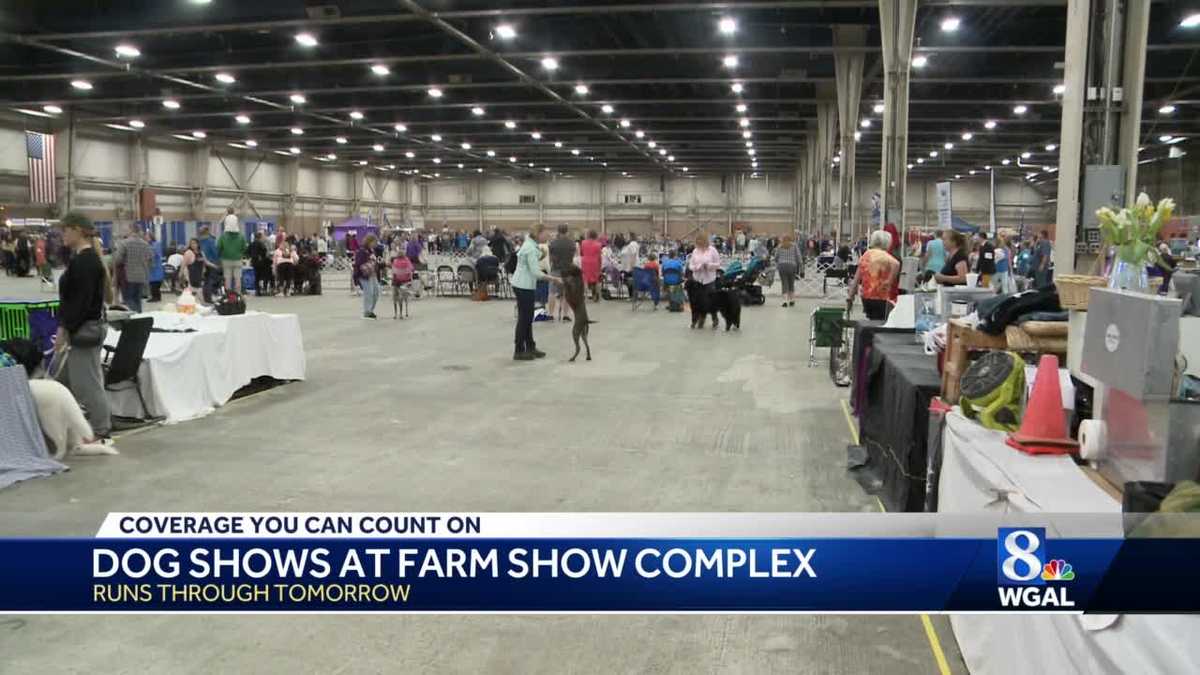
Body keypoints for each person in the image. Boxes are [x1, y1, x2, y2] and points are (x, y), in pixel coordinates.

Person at [54, 212, 112, 441]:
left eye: (65, 230)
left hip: (83, 330)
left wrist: (64, 329)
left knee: (87, 385)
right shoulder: (82, 260)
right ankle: (62, 426)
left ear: (77, 230)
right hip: (82, 328)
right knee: (61, 383)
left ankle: (101, 430)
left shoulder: (85, 262)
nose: (62, 235)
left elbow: (79, 302)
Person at [511, 230, 560, 361]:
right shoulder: (530, 248)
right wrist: (553, 279)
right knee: (524, 319)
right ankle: (519, 350)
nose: (548, 235)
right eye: (546, 233)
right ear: (538, 234)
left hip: (523, 284)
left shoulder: (530, 245)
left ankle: (531, 347)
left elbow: (532, 259)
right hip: (523, 286)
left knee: (527, 318)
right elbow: (536, 272)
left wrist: (542, 253)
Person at [848, 230, 901, 320]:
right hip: (881, 297)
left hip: (866, 297)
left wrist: (850, 296)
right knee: (881, 321)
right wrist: (889, 280)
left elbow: (856, 279)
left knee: (872, 319)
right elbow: (896, 264)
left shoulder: (866, 255)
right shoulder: (885, 256)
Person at [112, 223, 152, 313]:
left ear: (131, 230)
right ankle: (139, 317)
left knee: (128, 299)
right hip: (142, 276)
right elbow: (150, 260)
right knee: (138, 299)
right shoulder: (146, 244)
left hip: (127, 276)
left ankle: (134, 317)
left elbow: (118, 260)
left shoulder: (124, 243)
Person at [687, 233, 721, 325]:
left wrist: (709, 266)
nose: (699, 244)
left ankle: (715, 318)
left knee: (711, 301)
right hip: (697, 280)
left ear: (705, 241)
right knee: (699, 302)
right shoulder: (695, 251)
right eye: (697, 242)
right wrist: (696, 267)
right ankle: (701, 319)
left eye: (701, 242)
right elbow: (690, 265)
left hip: (709, 280)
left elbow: (718, 264)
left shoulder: (712, 250)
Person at [548, 224, 576, 322]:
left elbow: (550, 258)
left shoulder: (553, 243)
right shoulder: (572, 243)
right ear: (567, 231)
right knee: (566, 293)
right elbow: (572, 257)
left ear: (558, 231)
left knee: (552, 292)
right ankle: (565, 315)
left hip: (555, 269)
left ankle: (551, 315)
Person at [354, 234, 381, 319]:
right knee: (369, 293)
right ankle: (367, 312)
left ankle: (371, 310)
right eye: (374, 242)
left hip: (373, 275)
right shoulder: (362, 251)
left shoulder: (372, 251)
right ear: (369, 242)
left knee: (376, 293)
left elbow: (375, 263)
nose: (375, 244)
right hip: (364, 276)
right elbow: (358, 264)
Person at [217, 225, 247, 294]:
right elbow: (244, 248)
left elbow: (218, 248)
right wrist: (240, 254)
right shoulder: (241, 236)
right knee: (238, 279)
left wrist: (220, 256)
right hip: (238, 260)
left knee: (227, 279)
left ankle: (228, 295)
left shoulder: (223, 236)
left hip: (226, 260)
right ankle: (238, 295)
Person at [774, 234, 802, 307]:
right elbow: (798, 257)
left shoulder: (780, 246)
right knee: (791, 283)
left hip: (782, 266)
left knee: (784, 283)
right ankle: (792, 300)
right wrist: (801, 265)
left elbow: (776, 257)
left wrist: (778, 261)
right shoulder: (794, 246)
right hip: (792, 266)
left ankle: (785, 301)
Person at [197, 225, 221, 303]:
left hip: (203, 263)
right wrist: (218, 262)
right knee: (212, 280)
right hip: (212, 263)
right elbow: (215, 253)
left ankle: (206, 297)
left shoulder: (199, 241)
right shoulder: (211, 241)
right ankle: (210, 297)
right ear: (207, 231)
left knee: (206, 281)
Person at [579, 230, 603, 302]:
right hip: (594, 263)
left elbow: (581, 253)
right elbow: (599, 257)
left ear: (588, 235)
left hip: (585, 262)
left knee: (585, 280)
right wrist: (600, 267)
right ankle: (599, 297)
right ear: (595, 236)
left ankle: (585, 297)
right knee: (596, 280)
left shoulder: (583, 243)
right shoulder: (598, 244)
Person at [248, 231, 273, 297]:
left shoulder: (251, 243)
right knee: (264, 276)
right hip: (261, 262)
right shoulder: (261, 243)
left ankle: (257, 290)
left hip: (254, 262)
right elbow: (264, 251)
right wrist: (263, 257)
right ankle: (264, 289)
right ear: (260, 237)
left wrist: (252, 256)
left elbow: (248, 251)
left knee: (256, 277)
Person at [146, 229, 164, 303]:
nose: (145, 238)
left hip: (155, 267)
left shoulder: (155, 244)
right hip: (153, 268)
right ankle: (156, 297)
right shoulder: (151, 244)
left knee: (154, 283)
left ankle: (155, 297)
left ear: (150, 237)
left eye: (146, 236)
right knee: (153, 283)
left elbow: (153, 254)